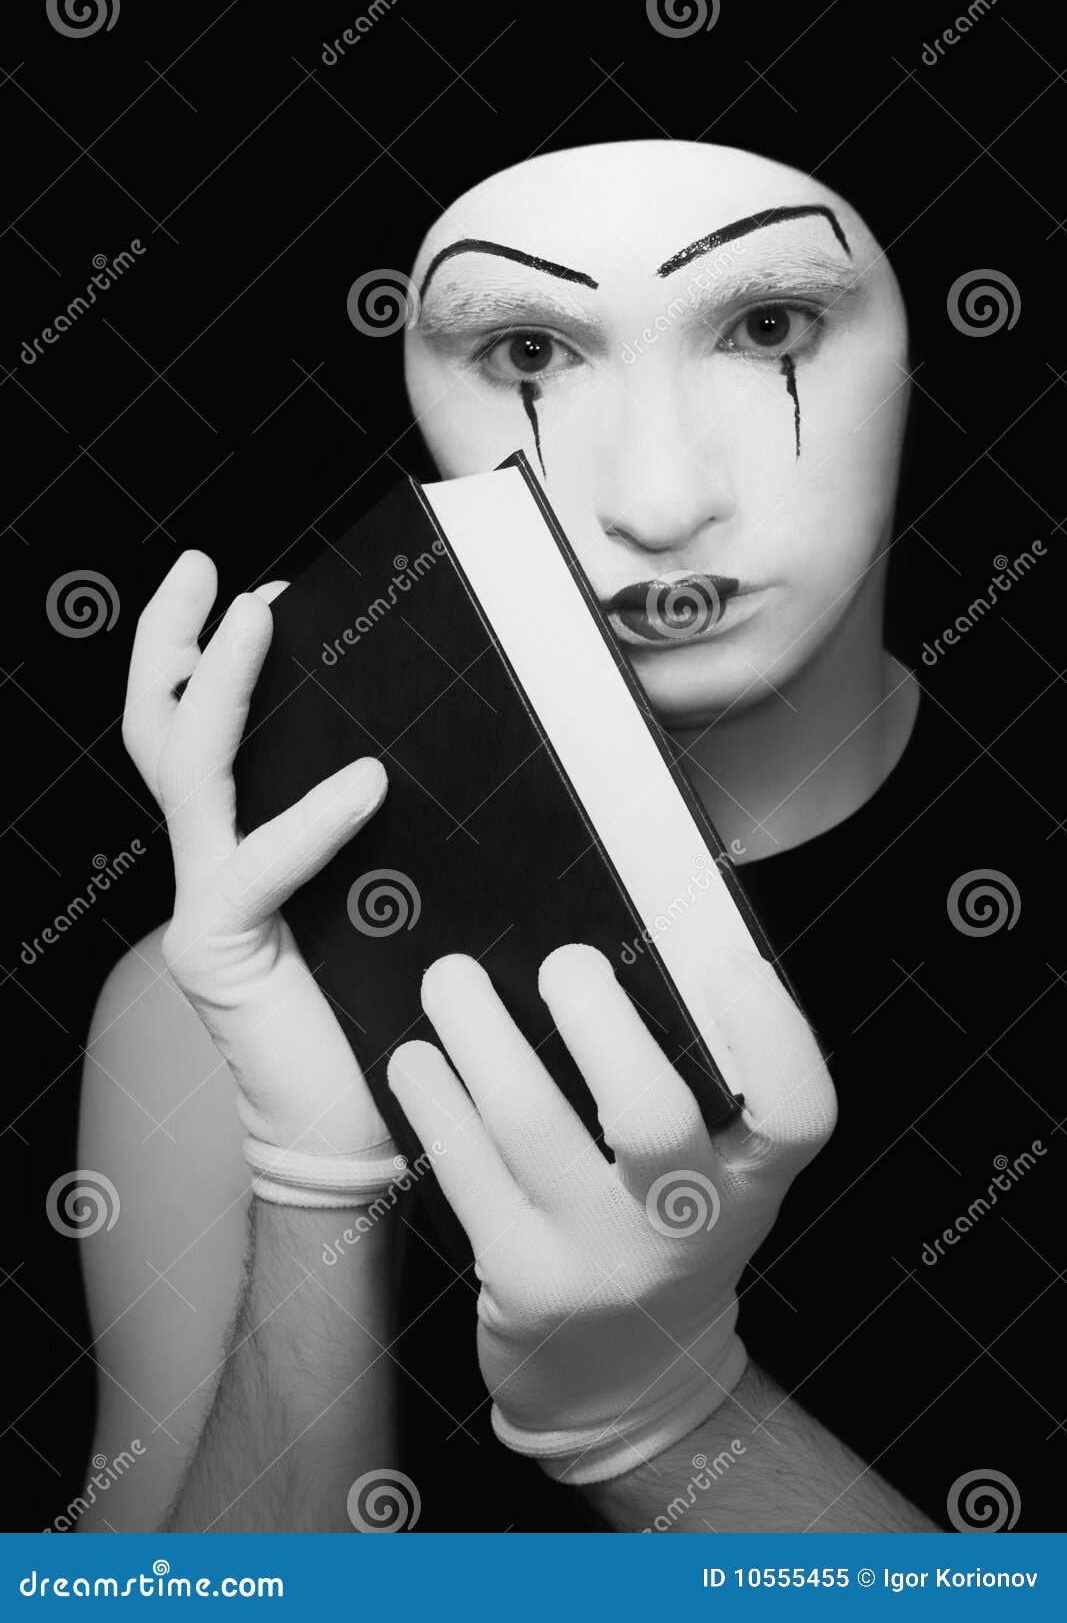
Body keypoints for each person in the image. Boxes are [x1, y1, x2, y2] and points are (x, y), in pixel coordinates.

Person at [76, 140, 1058, 1533]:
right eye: (529, 345)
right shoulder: (219, 1005)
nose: (656, 502)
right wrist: (319, 1193)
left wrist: (658, 1416)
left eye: (768, 326)